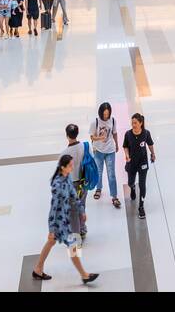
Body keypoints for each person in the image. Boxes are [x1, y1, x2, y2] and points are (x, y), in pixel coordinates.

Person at [31, 155, 99, 284]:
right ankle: (84, 275)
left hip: (65, 219)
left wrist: (81, 211)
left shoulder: (67, 178)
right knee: (72, 245)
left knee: (51, 243)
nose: (73, 167)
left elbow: (74, 196)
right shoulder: (57, 185)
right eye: (70, 165)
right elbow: (54, 208)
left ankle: (38, 269)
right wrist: (52, 229)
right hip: (59, 222)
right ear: (63, 167)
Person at [123, 113, 155, 220]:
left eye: (135, 123)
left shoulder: (146, 133)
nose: (133, 125)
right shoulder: (128, 134)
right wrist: (127, 155)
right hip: (131, 163)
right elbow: (126, 146)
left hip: (143, 163)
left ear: (141, 123)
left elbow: (150, 144)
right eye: (132, 123)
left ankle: (141, 206)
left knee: (142, 184)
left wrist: (153, 154)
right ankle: (132, 188)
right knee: (130, 182)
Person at [89, 103, 121, 209]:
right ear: (100, 112)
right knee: (98, 171)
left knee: (111, 174)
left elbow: (115, 133)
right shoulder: (95, 122)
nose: (106, 116)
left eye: (107, 114)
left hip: (110, 150)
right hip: (98, 151)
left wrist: (116, 144)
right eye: (104, 114)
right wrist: (100, 138)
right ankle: (98, 188)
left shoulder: (112, 120)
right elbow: (92, 137)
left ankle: (114, 196)